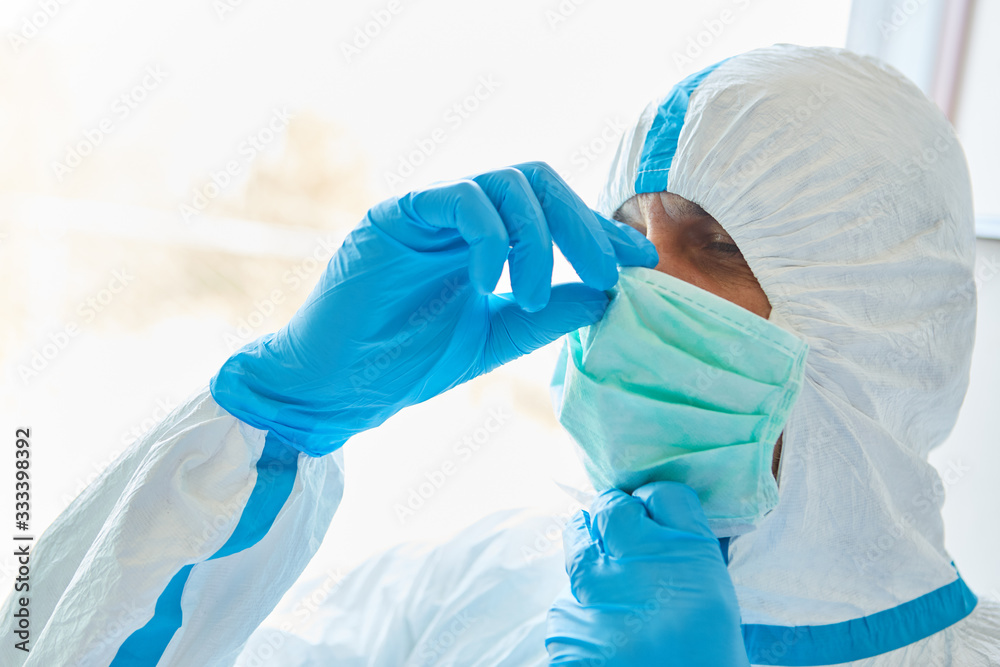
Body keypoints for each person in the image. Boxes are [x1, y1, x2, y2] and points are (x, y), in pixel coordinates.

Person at [3, 43, 999, 666]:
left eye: (716, 244)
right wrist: (266, 423)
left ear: (874, 328)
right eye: (626, 232)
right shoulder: (491, 581)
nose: (635, 290)